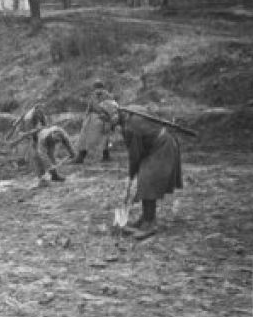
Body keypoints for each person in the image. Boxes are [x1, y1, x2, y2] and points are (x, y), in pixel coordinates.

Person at [111, 102, 183, 238]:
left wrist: (132, 174)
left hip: (162, 146)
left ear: (115, 115)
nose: (114, 126)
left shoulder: (131, 127)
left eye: (111, 121)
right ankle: (145, 219)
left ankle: (150, 224)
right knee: (145, 180)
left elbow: (135, 155)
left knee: (147, 181)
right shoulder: (131, 110)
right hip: (157, 145)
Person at [73, 80, 116, 164]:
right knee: (84, 136)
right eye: (96, 89)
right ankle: (80, 157)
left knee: (103, 138)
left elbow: (112, 110)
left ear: (103, 89)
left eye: (99, 88)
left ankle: (106, 155)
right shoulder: (93, 96)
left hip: (103, 119)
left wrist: (107, 118)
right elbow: (89, 107)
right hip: (91, 119)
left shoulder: (108, 97)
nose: (97, 90)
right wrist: (85, 117)